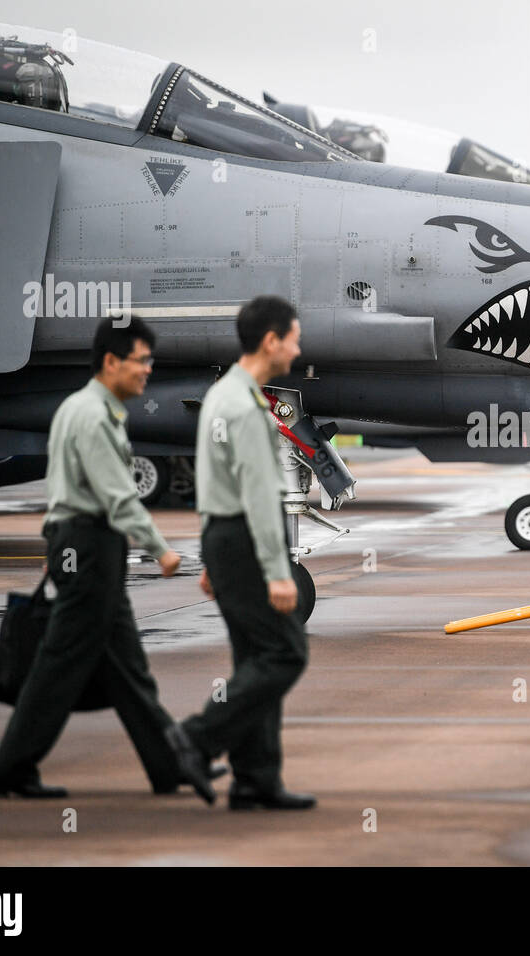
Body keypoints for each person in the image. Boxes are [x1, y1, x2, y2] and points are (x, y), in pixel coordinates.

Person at [0, 317, 216, 803]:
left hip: (89, 546)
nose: (147, 371)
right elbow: (117, 495)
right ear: (111, 361)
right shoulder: (92, 416)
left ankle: (169, 764)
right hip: (88, 546)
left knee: (128, 669)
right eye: (141, 361)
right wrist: (162, 549)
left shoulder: (91, 409)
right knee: (59, 665)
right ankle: (10, 770)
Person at [173, 295, 314, 810]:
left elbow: (215, 480)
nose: (297, 350)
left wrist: (213, 556)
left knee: (255, 658)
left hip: (224, 536)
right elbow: (257, 493)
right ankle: (197, 736)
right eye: (294, 338)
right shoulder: (248, 406)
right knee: (285, 653)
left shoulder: (222, 396)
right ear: (271, 340)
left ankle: (256, 779)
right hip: (247, 538)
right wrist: (279, 572)